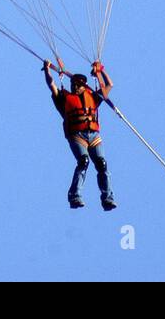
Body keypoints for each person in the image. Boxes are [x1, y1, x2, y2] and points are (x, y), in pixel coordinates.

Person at [44, 59, 117, 210]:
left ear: (84, 86)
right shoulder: (64, 98)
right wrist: (47, 69)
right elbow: (51, 85)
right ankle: (75, 196)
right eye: (73, 85)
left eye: (77, 85)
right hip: (77, 135)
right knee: (83, 161)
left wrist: (100, 70)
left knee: (102, 164)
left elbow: (109, 85)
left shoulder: (94, 97)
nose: (74, 87)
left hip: (94, 136)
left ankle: (107, 198)